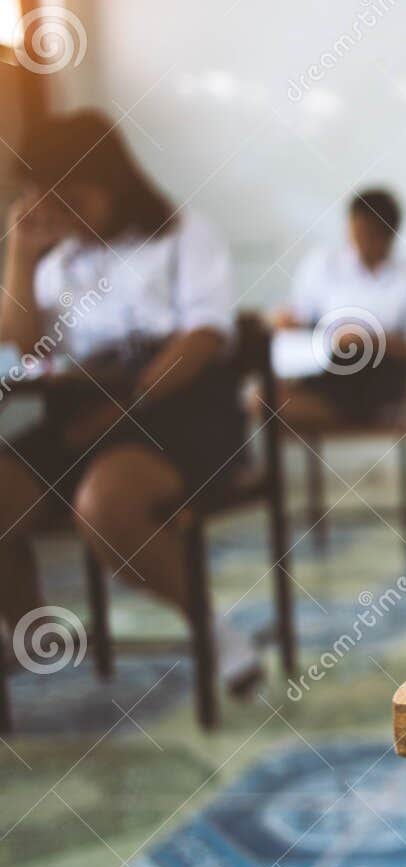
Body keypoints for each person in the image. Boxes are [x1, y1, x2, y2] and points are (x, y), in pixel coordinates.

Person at [0, 109, 260, 691]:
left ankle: (211, 631)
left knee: (105, 505)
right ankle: (39, 636)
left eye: (72, 201)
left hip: (177, 415)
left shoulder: (183, 236)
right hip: (80, 418)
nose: (63, 217)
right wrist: (20, 254)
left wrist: (123, 407)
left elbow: (204, 337)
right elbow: (22, 346)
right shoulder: (61, 259)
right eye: (50, 204)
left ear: (108, 184)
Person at [271, 188, 406, 428]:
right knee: (261, 400)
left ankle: (371, 411)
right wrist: (294, 326)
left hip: (390, 375)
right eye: (357, 233)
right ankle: (366, 413)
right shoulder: (322, 264)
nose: (362, 242)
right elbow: (297, 318)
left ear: (390, 233)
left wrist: (372, 341)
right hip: (329, 376)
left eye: (372, 234)